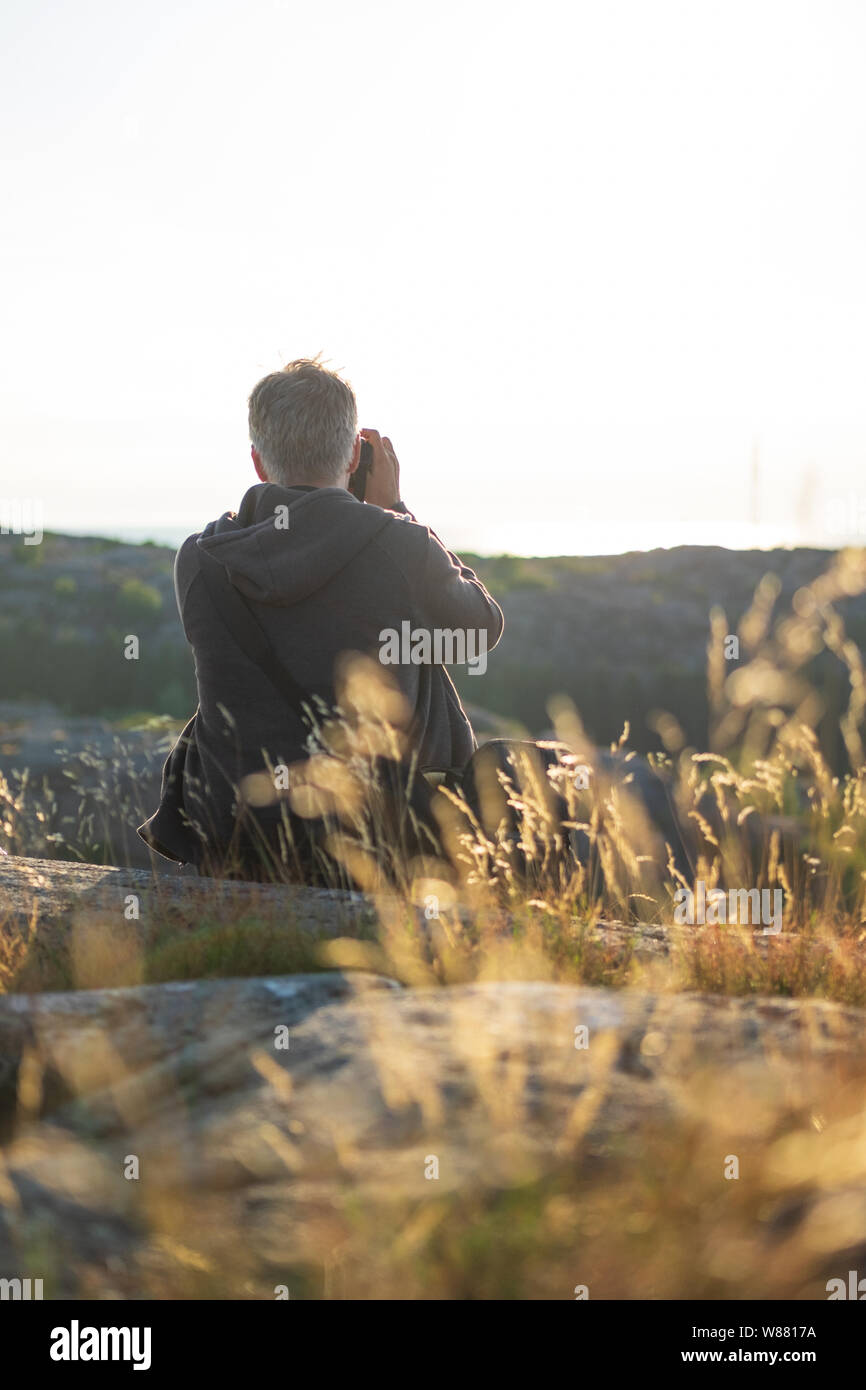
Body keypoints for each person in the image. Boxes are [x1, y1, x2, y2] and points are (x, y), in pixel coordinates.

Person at [138, 356, 506, 880]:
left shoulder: (201, 558)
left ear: (258, 463)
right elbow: (480, 632)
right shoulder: (400, 545)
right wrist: (396, 510)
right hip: (372, 838)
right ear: (356, 454)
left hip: (236, 836)